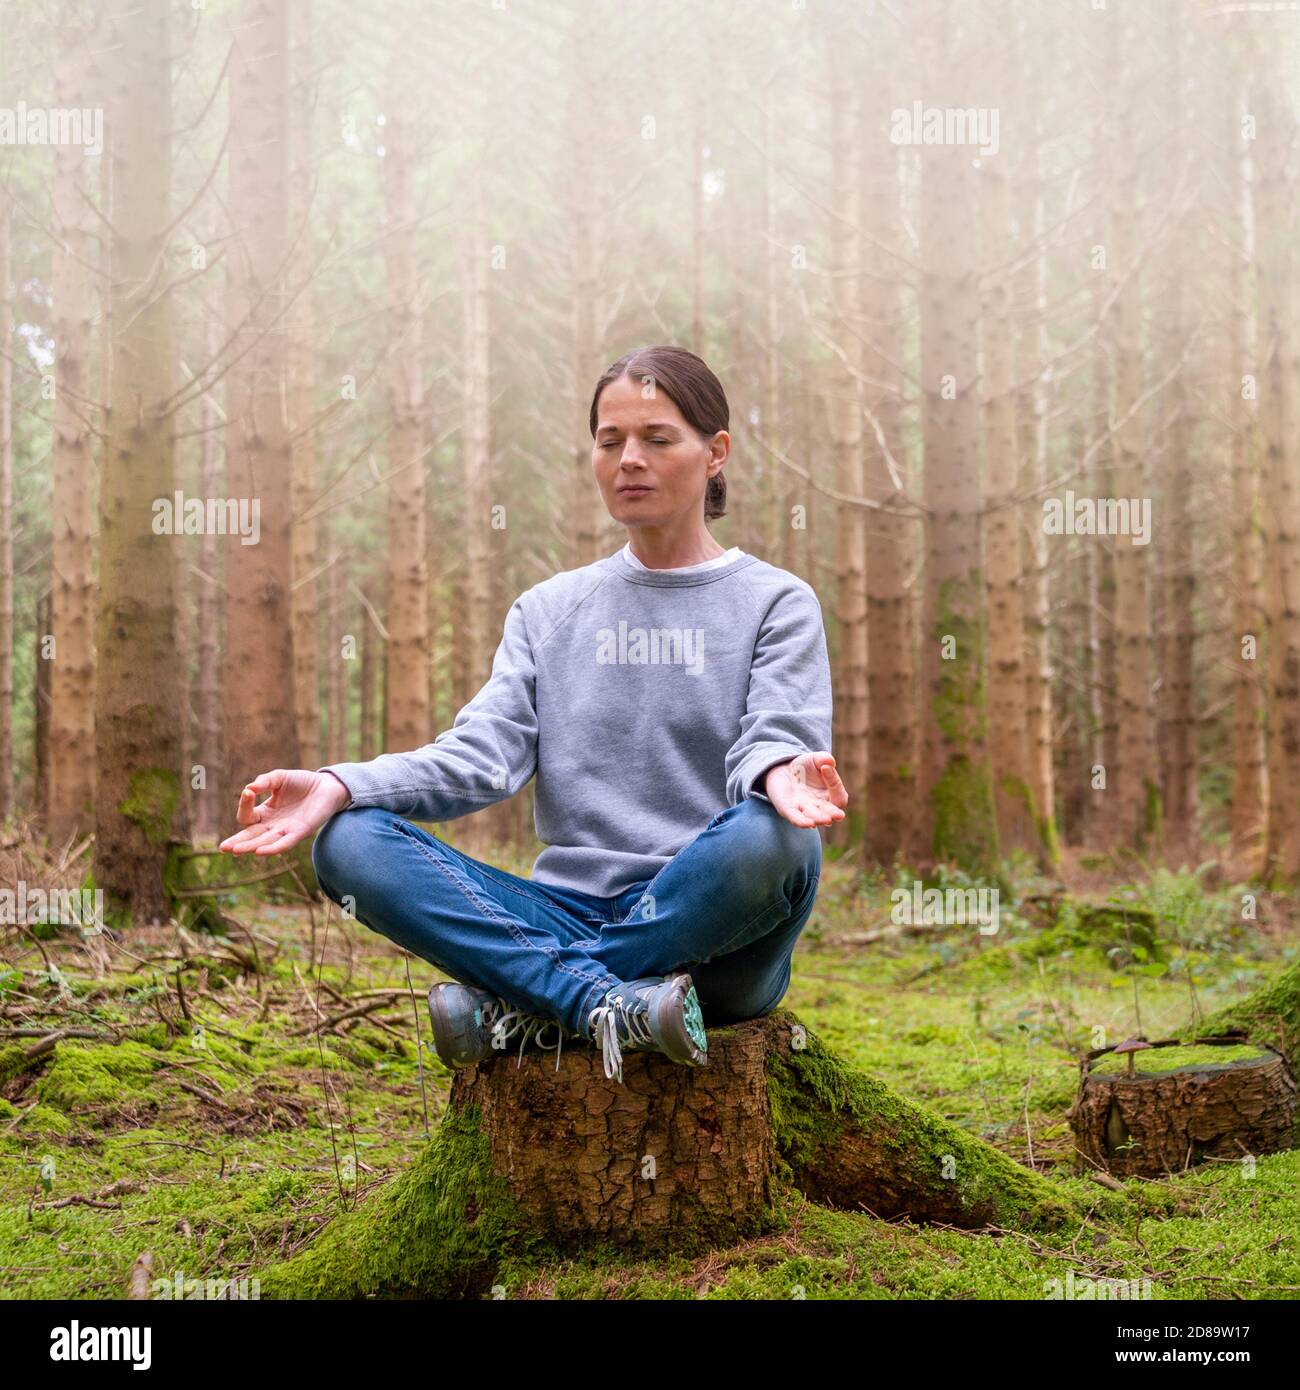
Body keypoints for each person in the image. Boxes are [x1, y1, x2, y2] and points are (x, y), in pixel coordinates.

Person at [220, 344, 847, 1085]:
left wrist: (779, 773)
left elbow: (777, 738)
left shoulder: (776, 602)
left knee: (776, 842)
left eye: (656, 438)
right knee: (350, 843)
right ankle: (597, 1001)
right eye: (610, 441)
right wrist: (339, 783)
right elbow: (482, 756)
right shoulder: (549, 610)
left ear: (715, 453)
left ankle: (526, 1004)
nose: (629, 460)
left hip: (715, 943)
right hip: (562, 913)